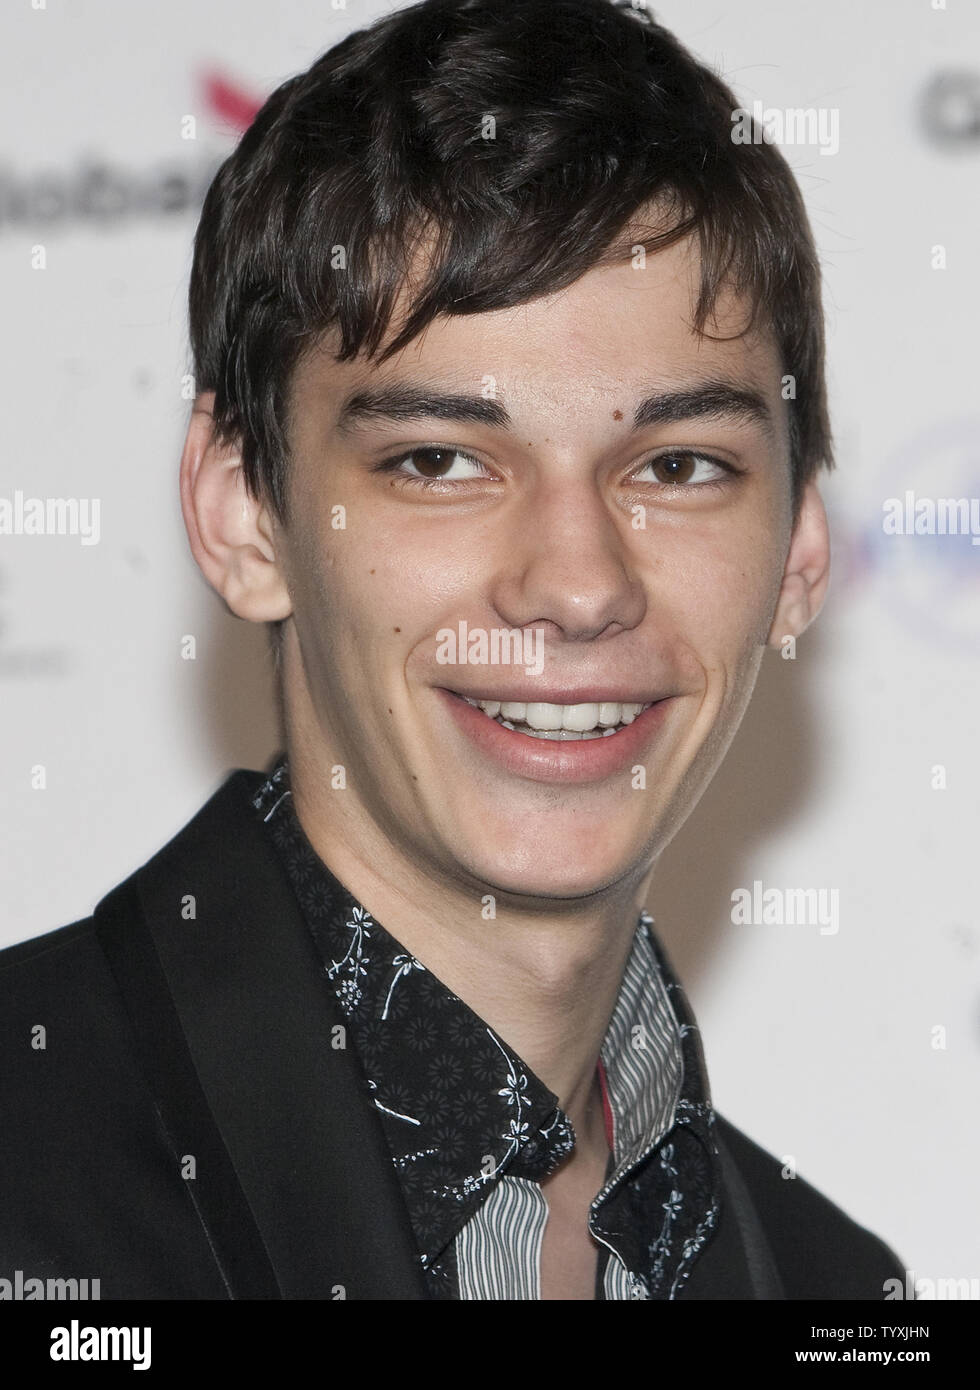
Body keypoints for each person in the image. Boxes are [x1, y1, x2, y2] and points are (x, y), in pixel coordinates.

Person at [1, 0, 904, 1300]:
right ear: (242, 513)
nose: (579, 583)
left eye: (679, 463)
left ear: (800, 551)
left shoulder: (835, 1283)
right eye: (440, 459)